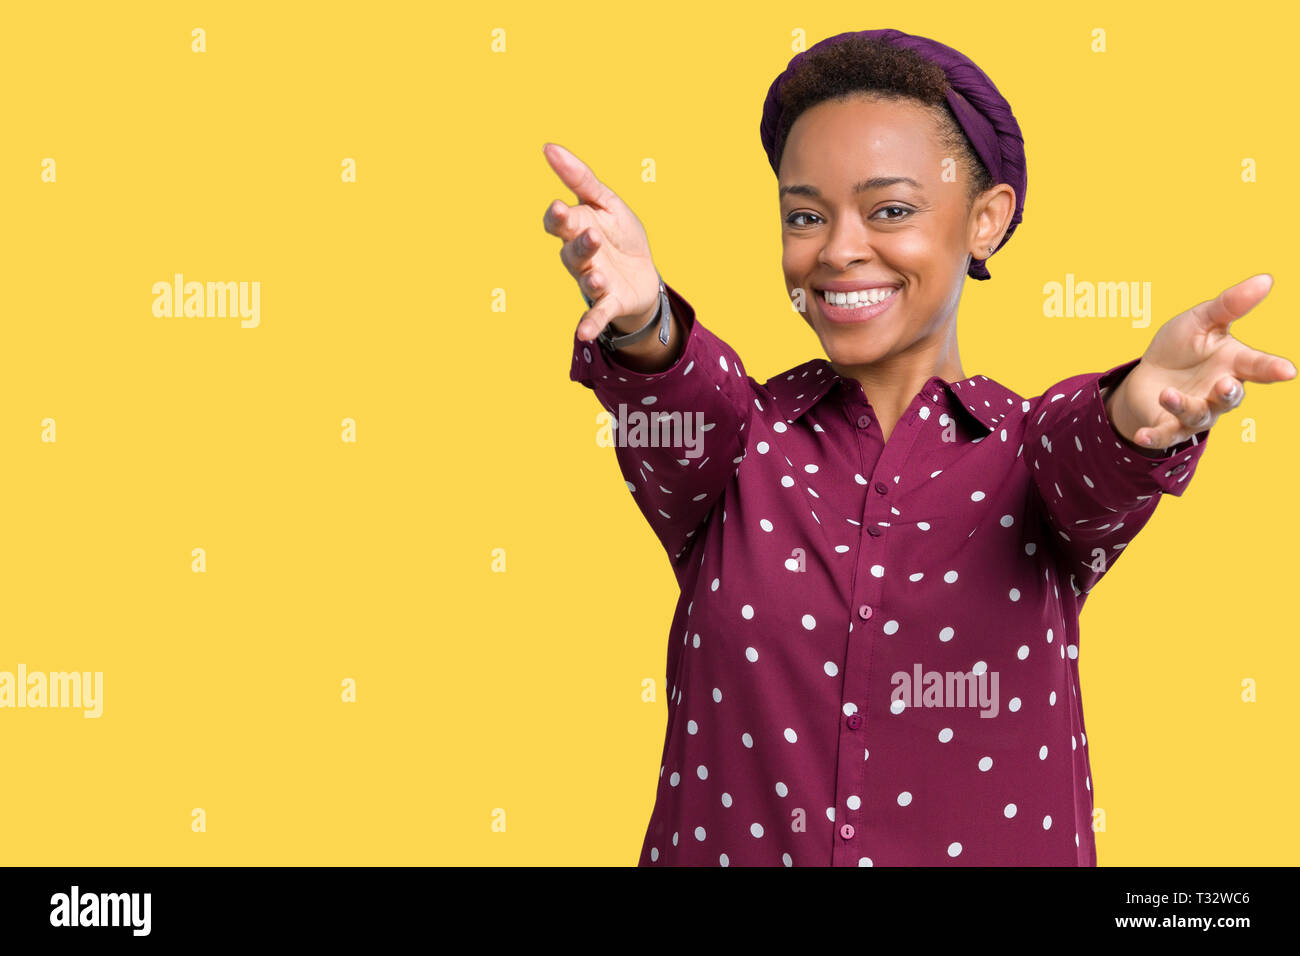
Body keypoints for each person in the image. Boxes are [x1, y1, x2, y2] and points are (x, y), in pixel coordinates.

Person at [541, 29, 1294, 866]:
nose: (837, 249)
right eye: (804, 215)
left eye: (890, 209)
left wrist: (1134, 414)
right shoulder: (737, 448)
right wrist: (645, 321)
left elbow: (1095, 454)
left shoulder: (1033, 454)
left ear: (985, 220)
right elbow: (676, 392)